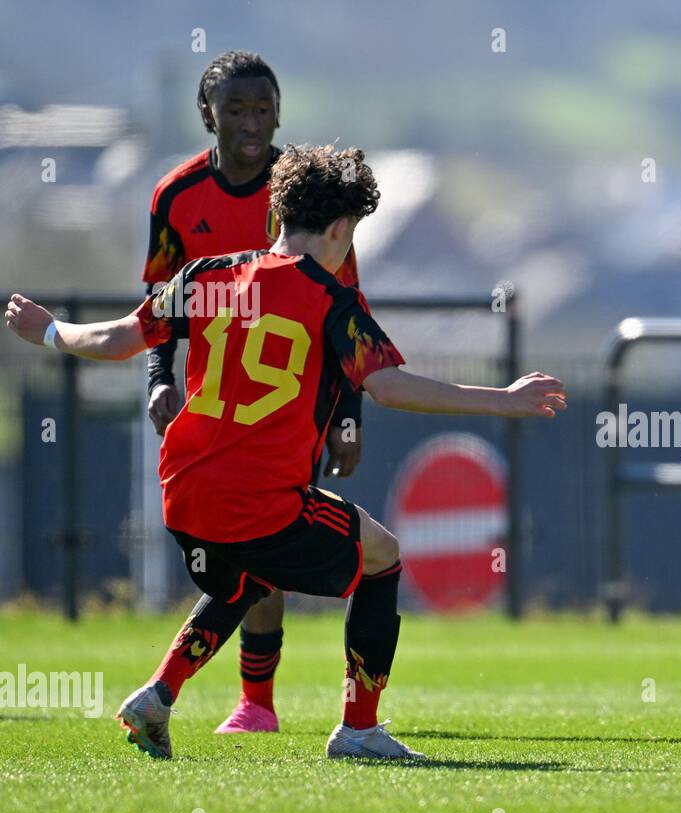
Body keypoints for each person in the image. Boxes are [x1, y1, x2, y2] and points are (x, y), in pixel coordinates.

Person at [6, 144, 567, 760]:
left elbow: (119, 339)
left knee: (248, 575)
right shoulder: (330, 300)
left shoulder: (207, 278)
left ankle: (157, 696)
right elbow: (389, 385)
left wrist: (51, 331)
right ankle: (358, 729)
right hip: (261, 500)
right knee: (381, 557)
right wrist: (502, 399)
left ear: (276, 215)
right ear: (339, 229)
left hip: (185, 495)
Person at [144, 51, 367, 731]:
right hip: (213, 397)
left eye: (263, 109)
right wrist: (158, 378)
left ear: (278, 112)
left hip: (288, 399)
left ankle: (254, 701)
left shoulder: (304, 190)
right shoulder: (176, 197)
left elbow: (347, 310)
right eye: (235, 108)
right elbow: (156, 300)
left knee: (263, 535)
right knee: (235, 551)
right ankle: (228, 697)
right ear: (206, 113)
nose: (251, 122)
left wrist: (347, 419)